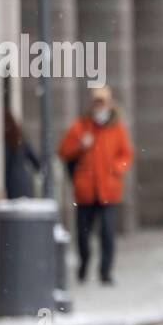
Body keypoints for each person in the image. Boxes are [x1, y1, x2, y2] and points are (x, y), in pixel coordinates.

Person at [58, 86, 133, 285]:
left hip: (108, 190)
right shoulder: (81, 126)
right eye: (97, 103)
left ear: (109, 105)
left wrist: (117, 169)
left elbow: (125, 155)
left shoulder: (117, 129)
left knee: (107, 233)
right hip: (86, 190)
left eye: (103, 103)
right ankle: (83, 265)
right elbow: (63, 151)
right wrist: (80, 146)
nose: (99, 107)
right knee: (84, 234)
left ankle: (105, 271)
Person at [3, 109, 41, 200]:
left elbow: (6, 166)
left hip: (12, 185)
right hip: (25, 184)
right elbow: (36, 161)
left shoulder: (6, 144)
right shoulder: (21, 140)